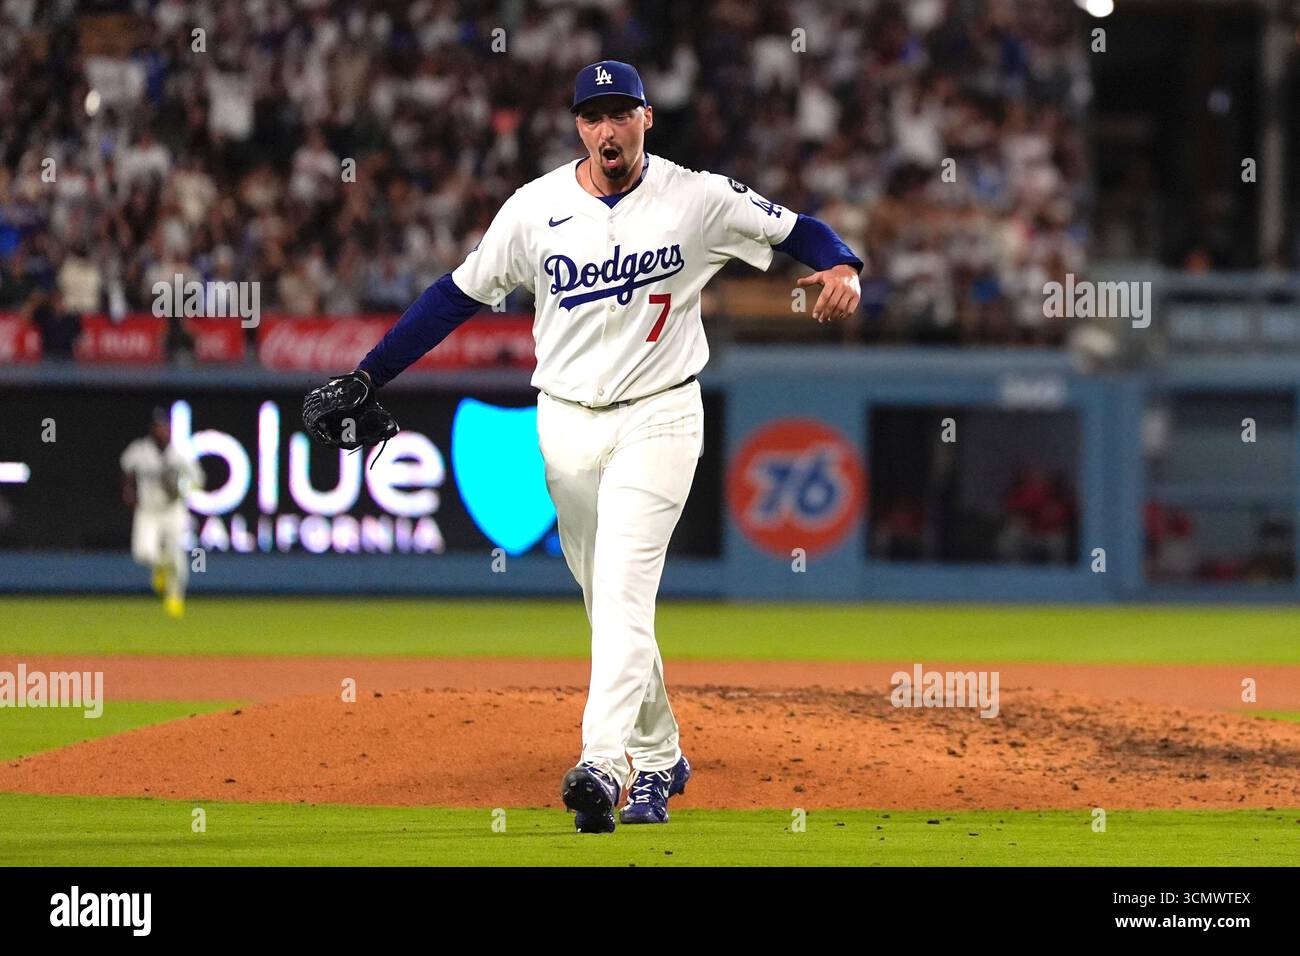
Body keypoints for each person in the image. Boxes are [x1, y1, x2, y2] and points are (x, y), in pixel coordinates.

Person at [340, 61, 863, 832]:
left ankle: (602, 765)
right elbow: (455, 294)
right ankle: (662, 759)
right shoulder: (535, 208)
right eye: (593, 116)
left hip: (660, 416)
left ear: (647, 118)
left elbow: (799, 232)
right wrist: (368, 374)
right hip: (565, 422)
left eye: (621, 112)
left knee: (621, 589)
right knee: (610, 606)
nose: (607, 128)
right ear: (578, 126)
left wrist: (843, 263)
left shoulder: (698, 196)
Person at [121, 408, 203, 619]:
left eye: (166, 427)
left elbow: (198, 480)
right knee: (143, 553)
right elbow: (127, 469)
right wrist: (129, 490)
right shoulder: (139, 450)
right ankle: (160, 567)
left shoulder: (179, 454)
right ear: (153, 429)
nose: (163, 430)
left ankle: (175, 597)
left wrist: (180, 489)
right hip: (148, 510)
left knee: (177, 555)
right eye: (159, 426)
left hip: (173, 509)